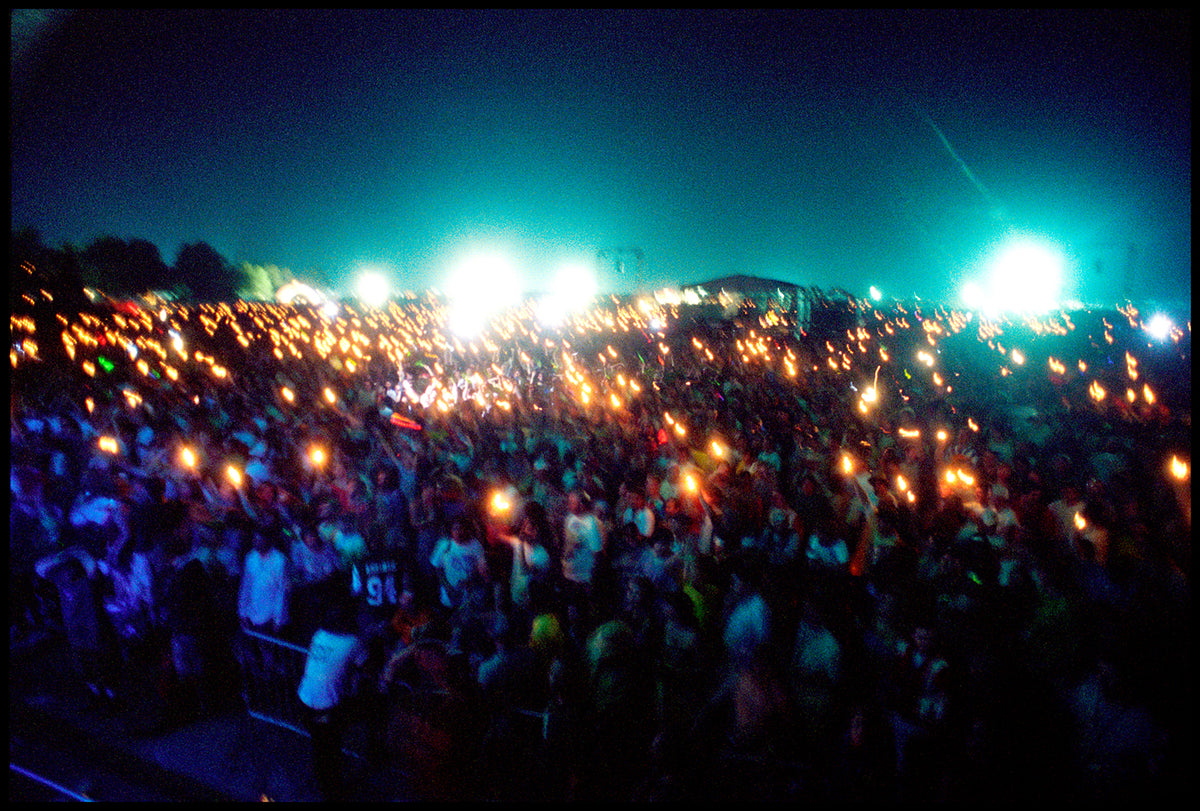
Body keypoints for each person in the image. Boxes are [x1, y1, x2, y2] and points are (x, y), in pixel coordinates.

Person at [297, 595, 368, 801]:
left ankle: (323, 783)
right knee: (330, 750)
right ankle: (333, 792)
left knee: (320, 747)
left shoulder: (319, 634)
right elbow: (367, 665)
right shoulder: (352, 641)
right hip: (325, 708)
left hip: (304, 700)